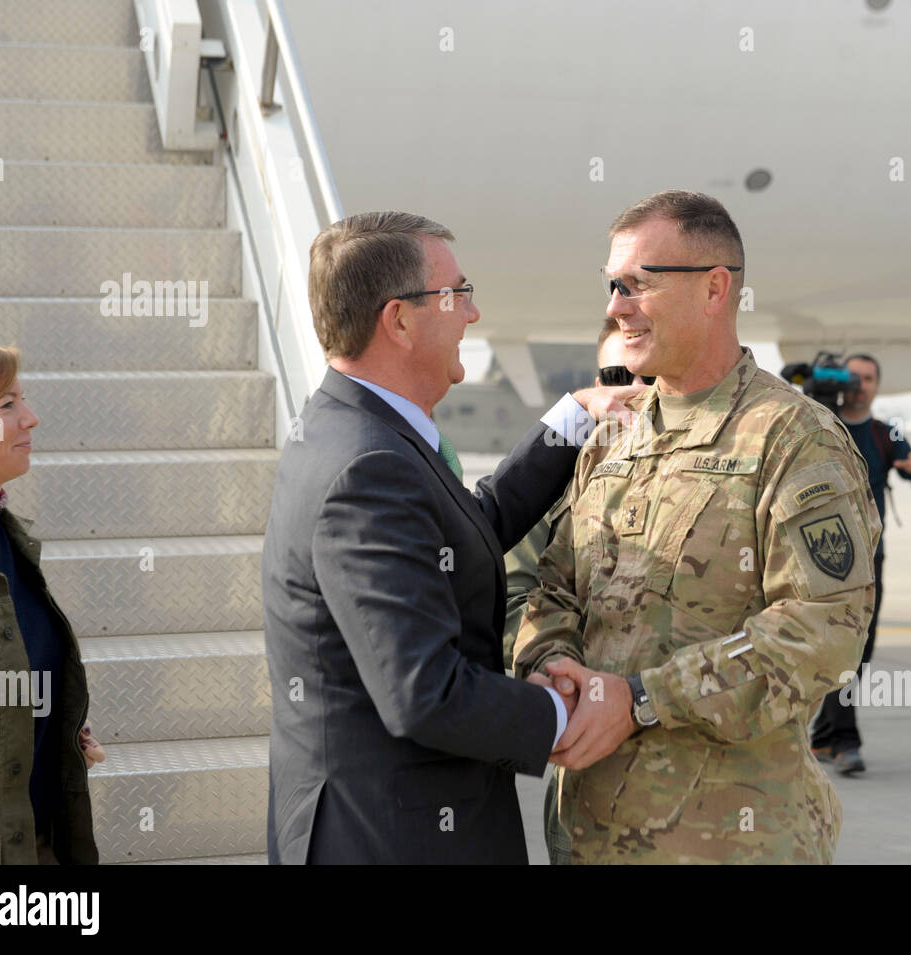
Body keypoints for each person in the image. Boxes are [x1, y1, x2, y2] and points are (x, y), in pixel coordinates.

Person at [513, 190, 881, 864]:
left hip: (730, 842)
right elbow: (554, 587)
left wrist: (644, 700)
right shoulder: (613, 437)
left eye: (637, 284)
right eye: (612, 285)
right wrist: (552, 665)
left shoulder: (792, 439)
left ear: (715, 289)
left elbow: (823, 630)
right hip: (587, 836)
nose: (616, 306)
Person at [261, 212, 638, 864]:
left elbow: (465, 531)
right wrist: (569, 712)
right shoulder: (368, 466)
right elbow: (423, 691)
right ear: (400, 320)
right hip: (394, 837)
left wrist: (573, 419)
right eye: (457, 294)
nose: (473, 313)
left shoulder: (355, 426)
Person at [0, 338, 103, 865]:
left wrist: (54, 727)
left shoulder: (9, 541)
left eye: (24, 400)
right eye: (7, 406)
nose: (31, 419)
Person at [501, 316, 645, 865]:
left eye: (648, 379)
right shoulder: (562, 482)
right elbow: (517, 595)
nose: (632, 394)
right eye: (615, 377)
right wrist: (568, 674)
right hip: (593, 783)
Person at [810, 354, 911, 775]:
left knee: (860, 651)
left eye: (868, 378)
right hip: (821, 556)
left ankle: (824, 737)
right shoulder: (820, 424)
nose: (860, 385)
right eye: (853, 377)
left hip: (870, 556)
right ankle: (844, 741)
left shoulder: (887, 433)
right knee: (840, 648)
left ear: (878, 386)